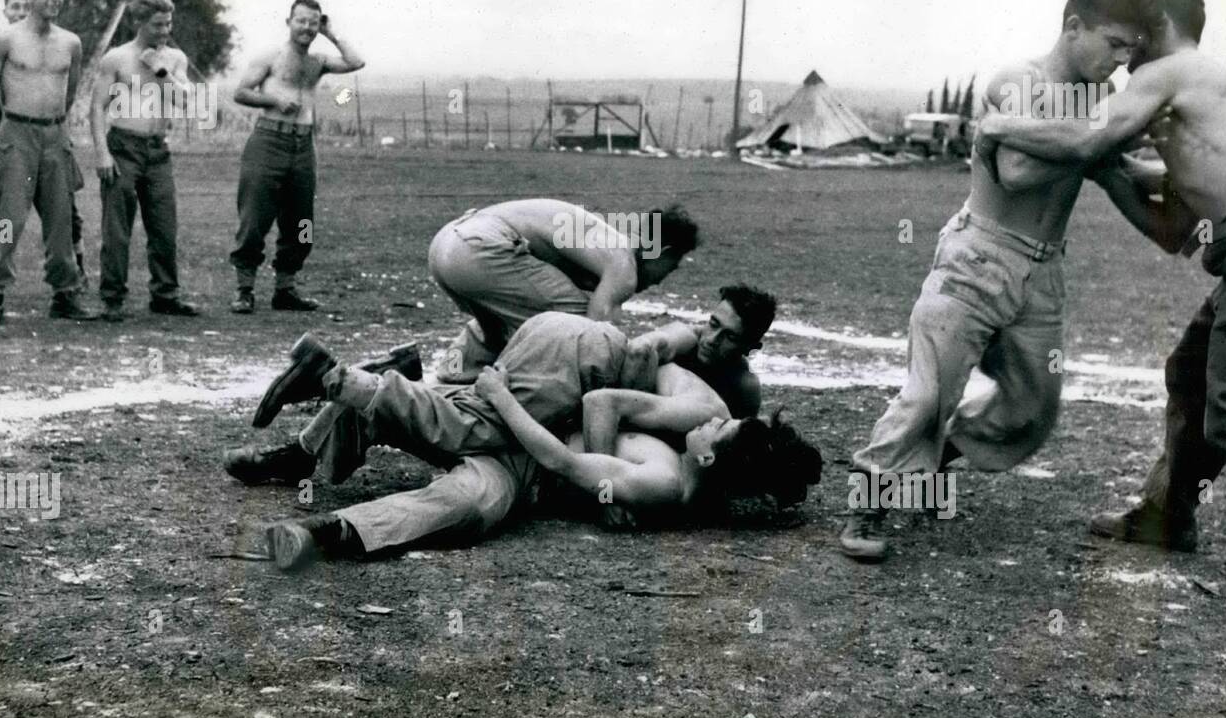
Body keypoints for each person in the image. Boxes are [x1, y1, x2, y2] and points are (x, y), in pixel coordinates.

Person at [840, 0, 1160, 561]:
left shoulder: (1097, 104)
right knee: (930, 393)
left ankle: (930, 465)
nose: (1121, 60)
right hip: (979, 256)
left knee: (1031, 408)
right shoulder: (1021, 81)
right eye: (1114, 43)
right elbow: (1015, 172)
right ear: (1073, 26)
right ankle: (868, 506)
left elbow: (1118, 172)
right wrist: (1091, 145)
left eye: (1131, 50)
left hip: (1044, 272)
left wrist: (1188, 199)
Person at [979, 0, 1226, 554]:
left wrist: (1002, 126)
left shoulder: (1175, 70)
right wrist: (1110, 171)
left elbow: (1085, 139)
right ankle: (1167, 517)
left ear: (1157, 29)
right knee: (1190, 373)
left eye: (1133, 44)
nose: (1125, 63)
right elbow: (1172, 233)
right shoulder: (1205, 104)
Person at [258, 360, 821, 572]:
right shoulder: (691, 472)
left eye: (720, 430)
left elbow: (560, 460)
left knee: (469, 503)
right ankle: (353, 384)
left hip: (528, 463)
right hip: (521, 439)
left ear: (714, 457)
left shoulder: (664, 481)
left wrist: (503, 396)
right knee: (430, 423)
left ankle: (332, 531)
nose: (714, 420)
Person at [223, 310, 659, 486]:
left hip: (556, 324)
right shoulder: (699, 384)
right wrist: (609, 488)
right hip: (591, 352)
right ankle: (333, 377)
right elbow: (624, 374)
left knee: (473, 406)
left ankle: (300, 454)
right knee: (471, 424)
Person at [428, 198, 699, 382]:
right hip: (478, 247)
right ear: (661, 252)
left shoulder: (607, 244)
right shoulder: (623, 264)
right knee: (577, 330)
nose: (662, 280)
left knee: (502, 327)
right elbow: (598, 340)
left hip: (446, 244)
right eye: (671, 266)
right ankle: (518, 401)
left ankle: (450, 380)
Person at [0, 0, 97, 325]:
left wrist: (52, 126)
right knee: (8, 220)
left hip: (55, 138)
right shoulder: (5, 40)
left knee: (60, 220)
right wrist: (9, 131)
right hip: (16, 135)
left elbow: (69, 93)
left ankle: (65, 295)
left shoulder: (71, 42)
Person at [228, 0, 364, 314]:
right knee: (254, 218)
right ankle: (244, 290)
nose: (306, 27)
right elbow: (240, 92)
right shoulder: (271, 57)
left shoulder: (319, 60)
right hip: (268, 141)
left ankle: (285, 290)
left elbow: (356, 62)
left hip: (303, 147)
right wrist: (273, 101)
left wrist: (332, 33)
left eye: (313, 22)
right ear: (288, 21)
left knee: (302, 222)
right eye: (301, 20)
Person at [89, 0, 199, 321]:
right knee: (117, 228)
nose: (165, 30)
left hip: (157, 150)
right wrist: (102, 154)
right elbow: (96, 108)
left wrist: (161, 69)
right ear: (139, 23)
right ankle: (112, 298)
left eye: (168, 24)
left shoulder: (175, 58)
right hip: (123, 146)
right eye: (157, 24)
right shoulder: (117, 59)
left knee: (164, 227)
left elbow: (183, 101)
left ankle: (165, 295)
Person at [629, 283, 776, 418]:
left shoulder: (744, 386)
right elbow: (641, 350)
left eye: (730, 337)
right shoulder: (684, 338)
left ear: (749, 347)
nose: (712, 340)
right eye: (713, 324)